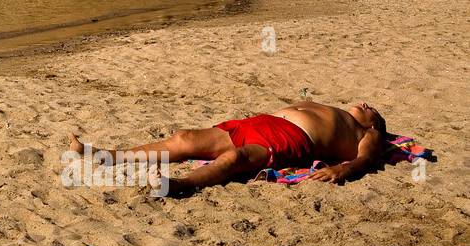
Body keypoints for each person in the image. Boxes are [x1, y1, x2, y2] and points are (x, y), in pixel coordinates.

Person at [70, 100, 388, 195]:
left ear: (373, 122)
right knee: (185, 138)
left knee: (234, 159)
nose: (363, 103)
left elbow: (366, 160)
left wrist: (341, 169)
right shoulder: (328, 106)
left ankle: (177, 185)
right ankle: (108, 156)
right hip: (261, 122)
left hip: (294, 139)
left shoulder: (366, 131)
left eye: (369, 106)